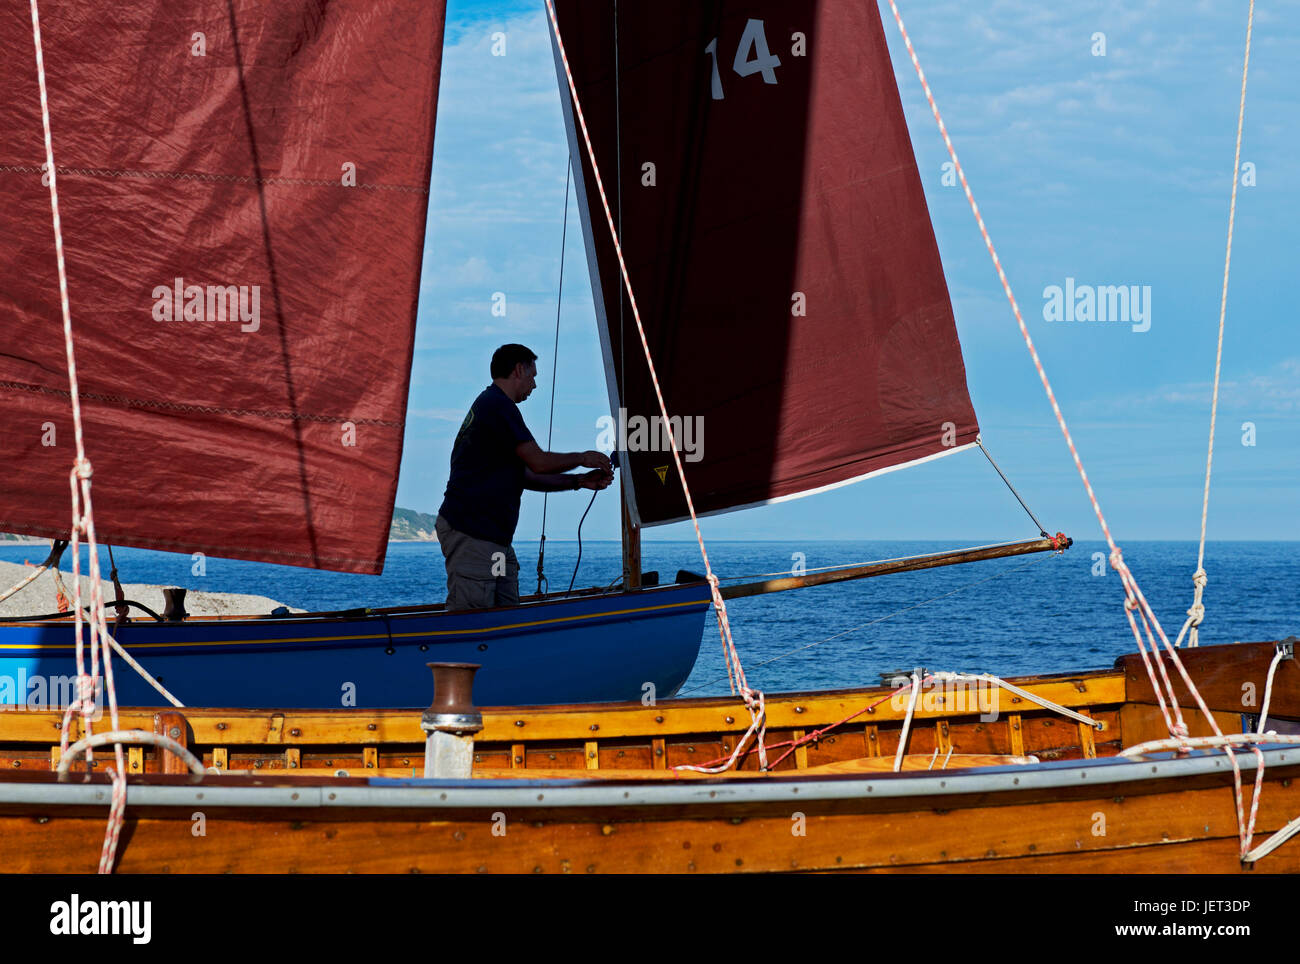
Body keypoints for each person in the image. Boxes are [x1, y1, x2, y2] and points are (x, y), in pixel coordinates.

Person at [435, 344, 613, 610]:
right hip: (472, 534)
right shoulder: (497, 406)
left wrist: (577, 481)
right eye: (533, 376)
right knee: (472, 617)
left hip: (493, 540)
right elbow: (539, 463)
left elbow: (524, 476)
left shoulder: (494, 407)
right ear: (519, 370)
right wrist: (581, 458)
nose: (535, 385)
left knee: (504, 611)